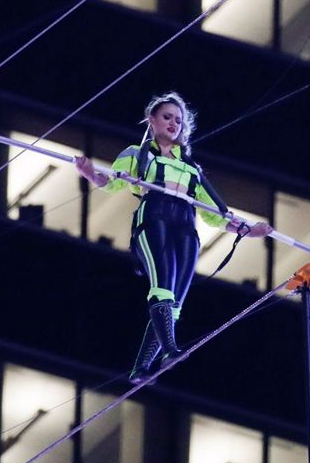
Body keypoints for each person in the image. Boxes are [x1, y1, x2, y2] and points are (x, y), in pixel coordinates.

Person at [75, 92, 271, 382]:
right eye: (167, 117)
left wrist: (250, 230)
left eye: (178, 120)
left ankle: (141, 367)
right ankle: (169, 350)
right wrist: (90, 173)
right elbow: (112, 183)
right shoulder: (137, 154)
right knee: (162, 286)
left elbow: (217, 215)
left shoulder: (192, 168)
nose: (173, 123)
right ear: (151, 121)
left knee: (174, 304)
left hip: (186, 229)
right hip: (154, 219)